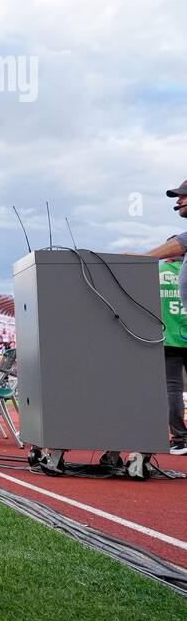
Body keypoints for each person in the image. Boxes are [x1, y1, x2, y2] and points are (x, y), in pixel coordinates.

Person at [140, 179, 187, 454]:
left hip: (170, 337)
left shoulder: (157, 272)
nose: (178, 201)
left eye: (182, 196)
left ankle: (180, 438)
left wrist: (140, 258)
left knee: (172, 388)